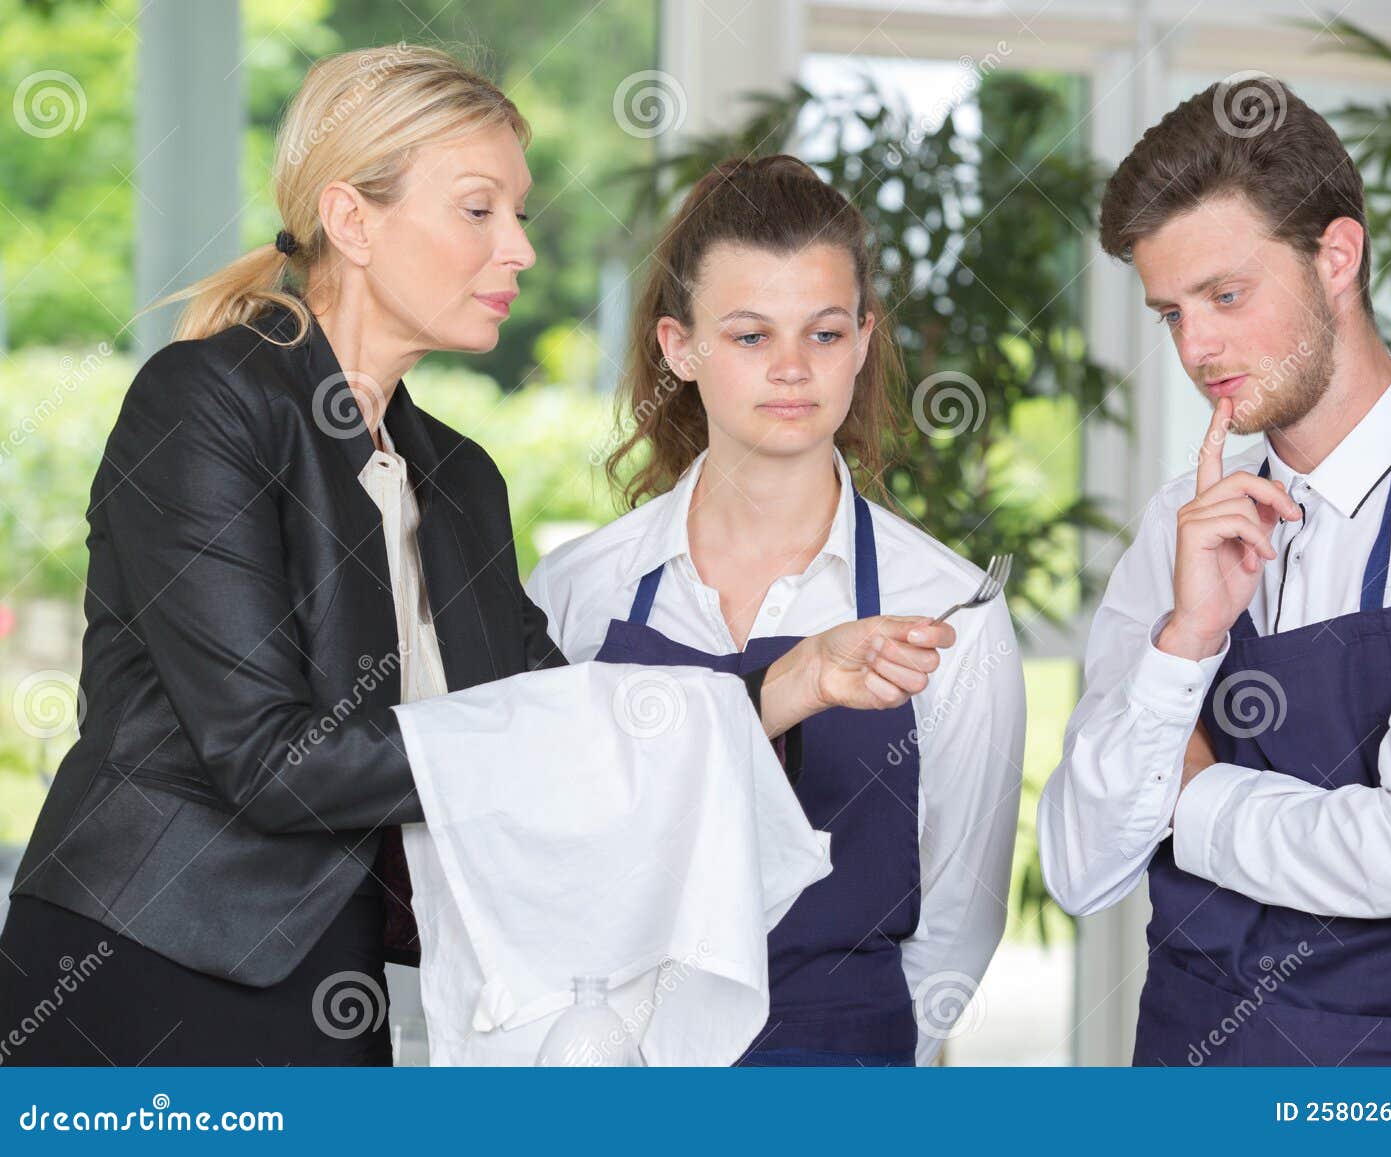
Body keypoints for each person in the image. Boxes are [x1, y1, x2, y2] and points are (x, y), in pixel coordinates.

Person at [0, 48, 953, 1067]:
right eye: (477, 211)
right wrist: (517, 748)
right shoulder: (205, 406)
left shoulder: (456, 479)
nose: (519, 253)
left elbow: (573, 716)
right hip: (144, 972)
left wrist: (783, 682)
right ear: (353, 220)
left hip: (334, 978)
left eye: (520, 216)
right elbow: (271, 761)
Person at [1038, 77, 1391, 1066]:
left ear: (1336, 255)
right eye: (1170, 312)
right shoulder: (1181, 520)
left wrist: (1192, 797)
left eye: (1225, 294)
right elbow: (1080, 862)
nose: (1196, 346)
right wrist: (1186, 641)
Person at [528, 156, 1025, 1067]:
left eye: (825, 334)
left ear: (865, 340)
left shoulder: (951, 610)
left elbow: (960, 915)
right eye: (750, 336)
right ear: (681, 348)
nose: (793, 369)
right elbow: (545, 869)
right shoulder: (577, 595)